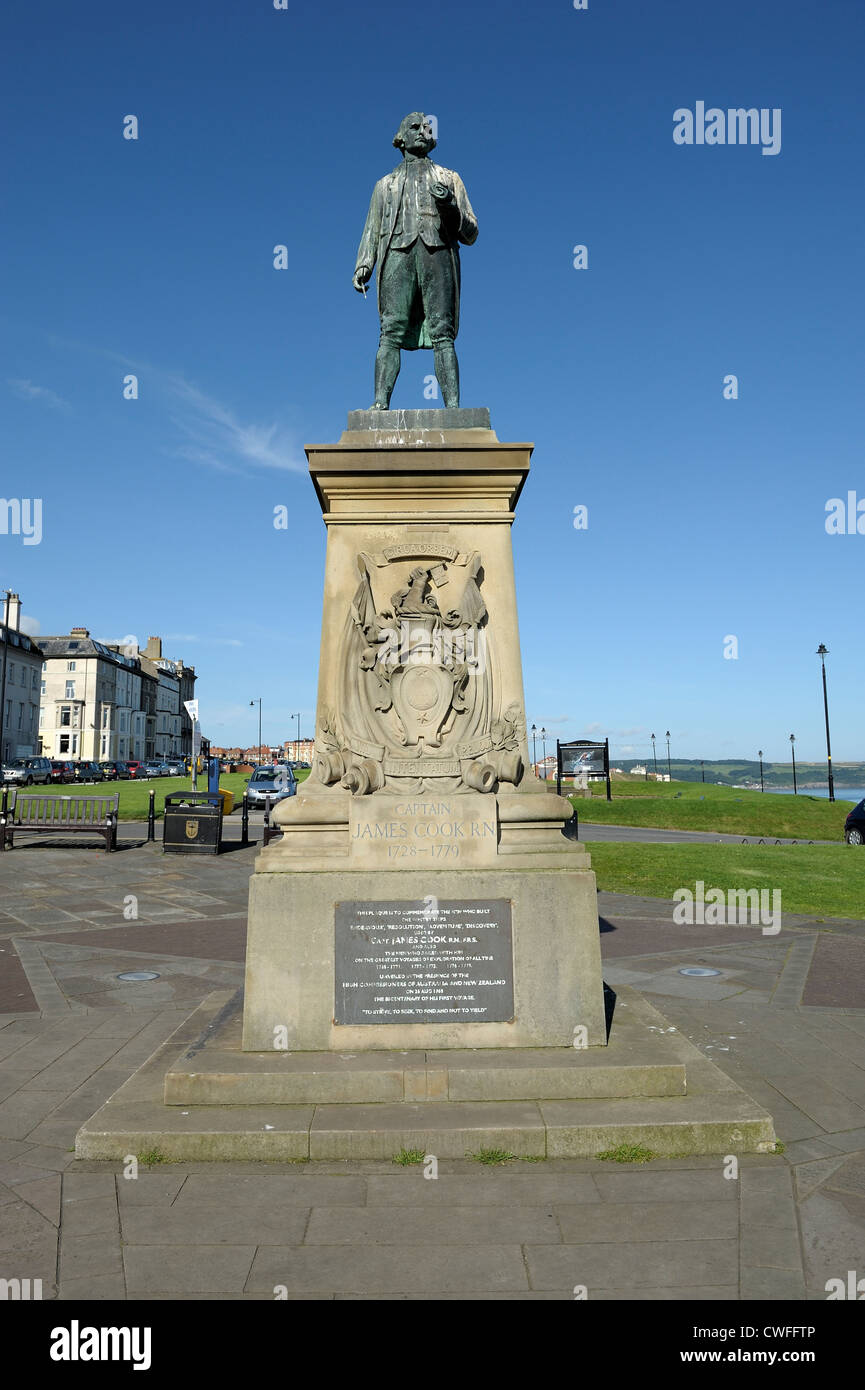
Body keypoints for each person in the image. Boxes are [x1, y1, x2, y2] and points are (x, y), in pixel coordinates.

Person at [353, 112, 478, 409]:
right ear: (401, 139)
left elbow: (471, 232)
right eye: (414, 127)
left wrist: (449, 206)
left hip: (437, 255)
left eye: (427, 127)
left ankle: (453, 409)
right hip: (397, 254)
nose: (422, 131)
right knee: (389, 332)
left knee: (443, 333)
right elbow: (371, 229)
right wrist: (364, 263)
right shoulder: (385, 185)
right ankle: (380, 404)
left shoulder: (449, 178)